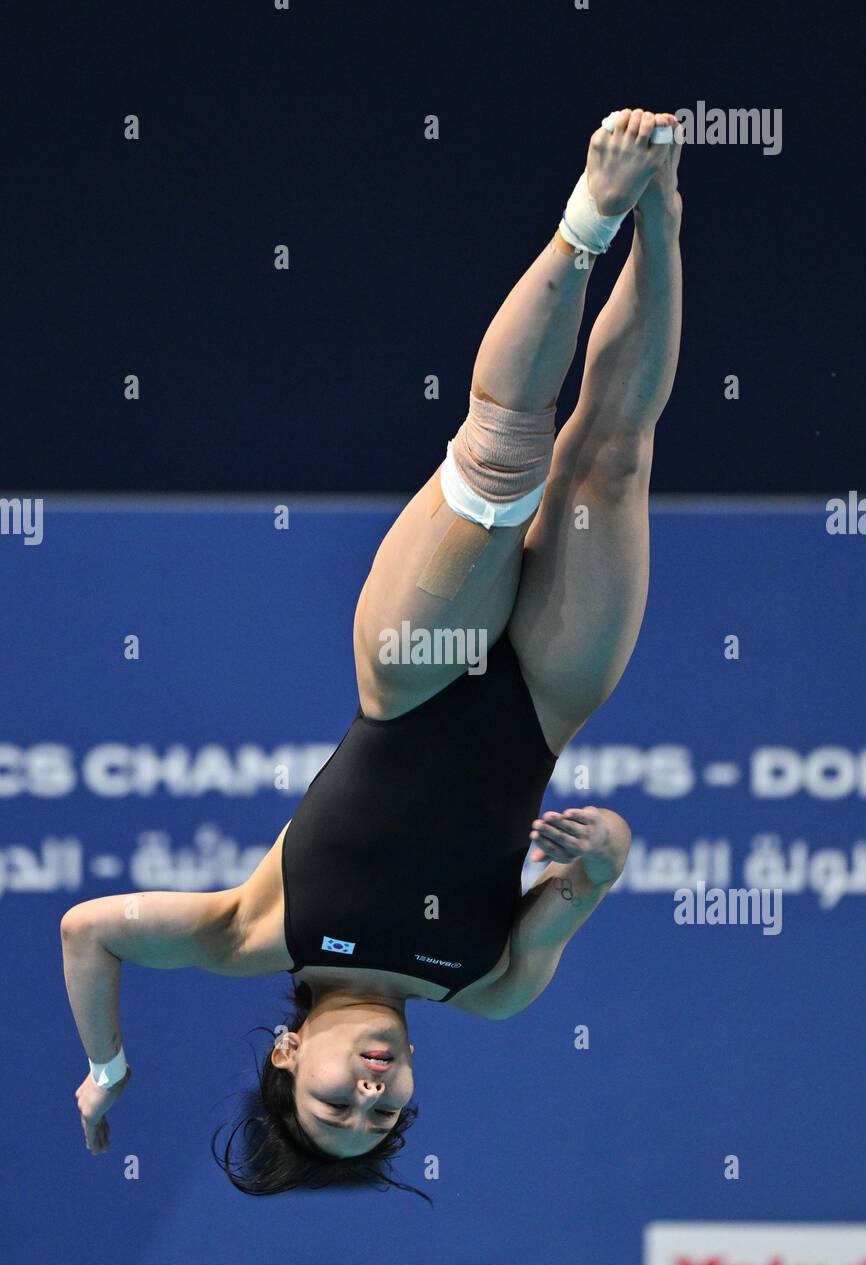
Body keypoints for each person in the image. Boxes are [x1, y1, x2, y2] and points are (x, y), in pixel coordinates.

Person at [61, 108, 683, 1198]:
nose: (370, 1093)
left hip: (415, 668)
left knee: (502, 455)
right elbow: (595, 876)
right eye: (380, 1116)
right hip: (546, 696)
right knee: (613, 458)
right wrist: (601, 848)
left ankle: (589, 213)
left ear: (286, 1054)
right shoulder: (486, 986)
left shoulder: (249, 931)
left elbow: (86, 933)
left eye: (333, 1103)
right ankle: (660, 212)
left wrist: (106, 1068)